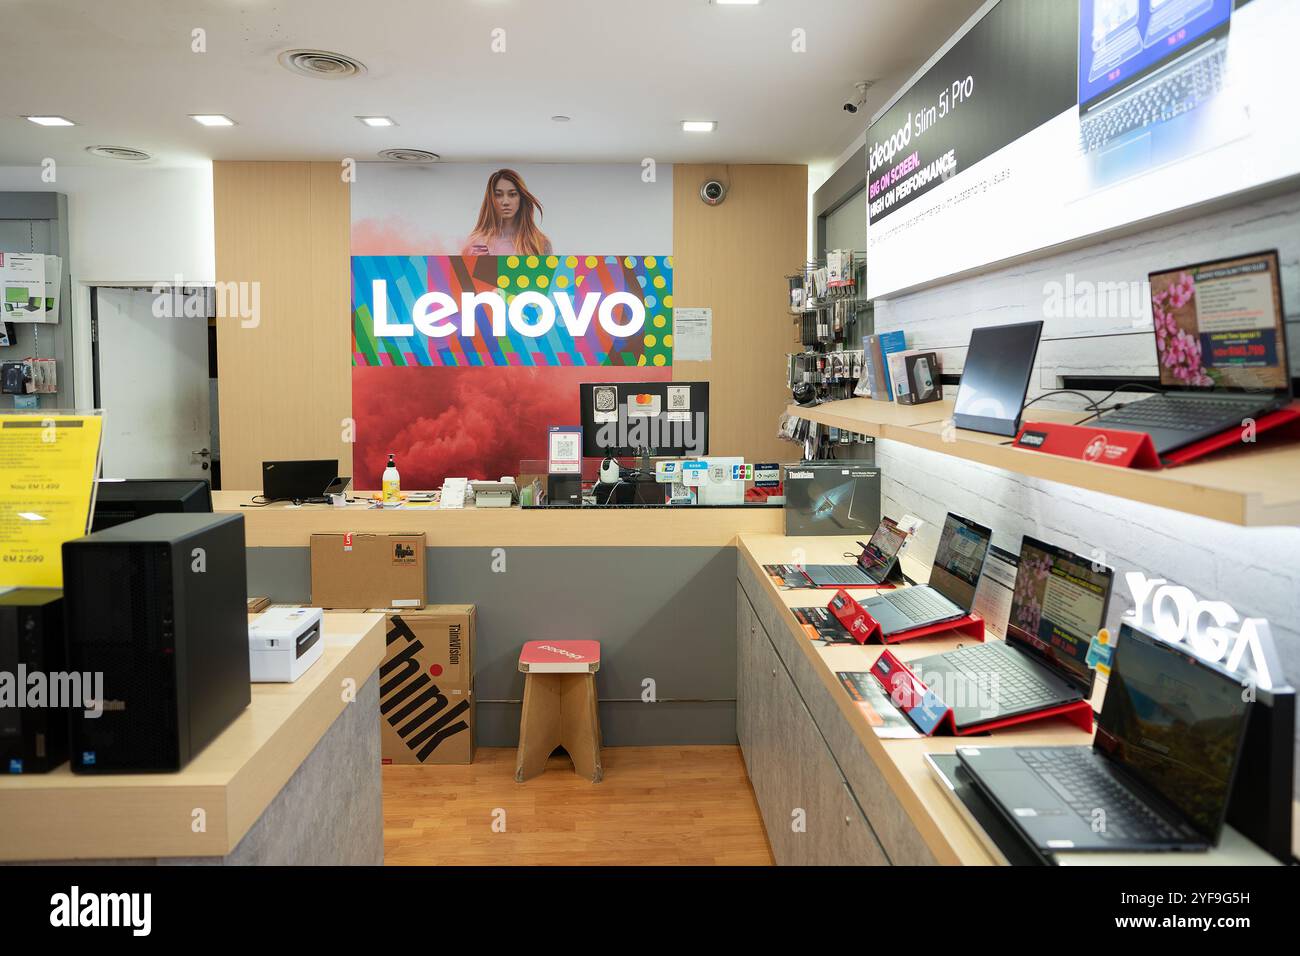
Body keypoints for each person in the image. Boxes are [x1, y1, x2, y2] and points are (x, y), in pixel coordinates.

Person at [462, 168, 553, 256]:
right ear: (490, 199)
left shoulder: (540, 242)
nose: (505, 202)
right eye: (498, 195)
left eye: (512, 194)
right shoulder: (476, 243)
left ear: (521, 198)